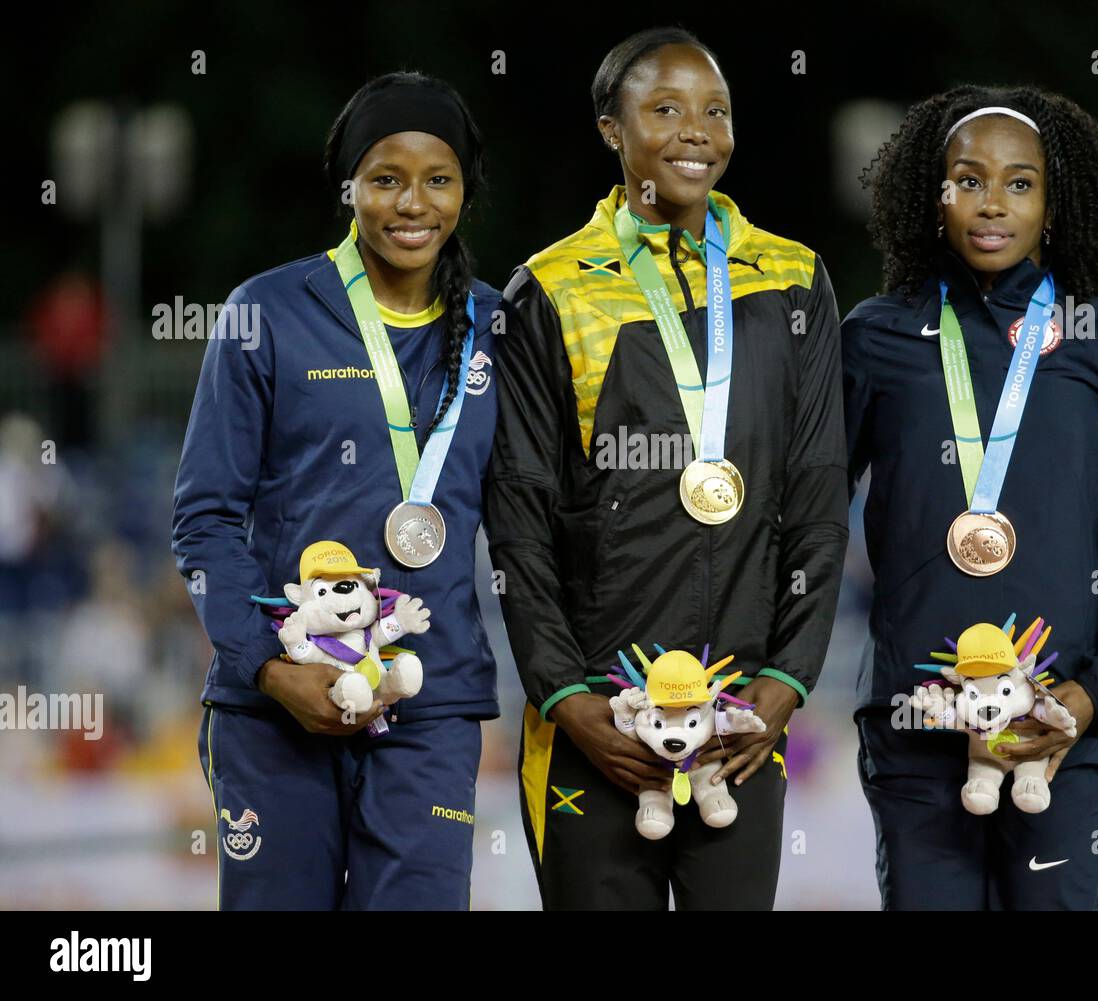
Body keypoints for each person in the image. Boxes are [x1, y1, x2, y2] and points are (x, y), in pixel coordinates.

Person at [485, 27, 848, 911]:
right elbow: (519, 513)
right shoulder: (553, 288)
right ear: (613, 131)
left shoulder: (792, 280)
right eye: (666, 109)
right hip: (597, 723)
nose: (697, 131)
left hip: (737, 726)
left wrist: (786, 680)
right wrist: (567, 696)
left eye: (715, 111)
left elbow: (818, 492)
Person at [844, 85, 1098, 909]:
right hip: (915, 723)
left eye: (1020, 182)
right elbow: (809, 512)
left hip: (1058, 726)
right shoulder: (876, 336)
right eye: (968, 179)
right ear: (934, 197)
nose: (991, 202)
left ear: (1053, 202)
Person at [172, 71, 500, 910]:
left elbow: (538, 530)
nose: (411, 203)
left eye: (439, 179)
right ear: (348, 185)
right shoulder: (269, 313)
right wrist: (268, 667)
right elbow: (204, 516)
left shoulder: (500, 330)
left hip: (428, 703)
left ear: (466, 188)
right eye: (385, 178)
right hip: (278, 703)